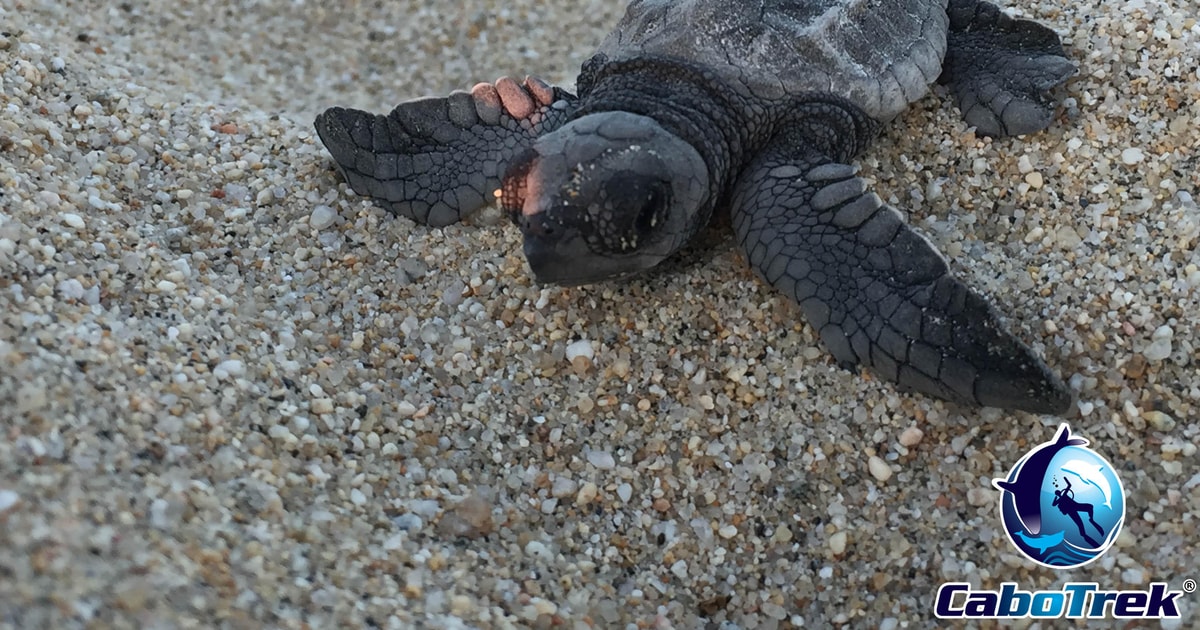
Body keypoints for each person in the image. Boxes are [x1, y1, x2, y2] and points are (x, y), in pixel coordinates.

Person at [1052, 477, 1104, 547]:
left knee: (1090, 507)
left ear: (1060, 492)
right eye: (1057, 492)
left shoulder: (1063, 495)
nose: (1058, 493)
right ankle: (1085, 536)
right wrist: (1055, 499)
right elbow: (1053, 504)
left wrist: (1065, 479)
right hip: (1071, 511)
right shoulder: (1060, 500)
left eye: (1058, 492)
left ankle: (1091, 519)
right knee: (1080, 524)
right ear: (1058, 493)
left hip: (1076, 506)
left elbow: (1069, 485)